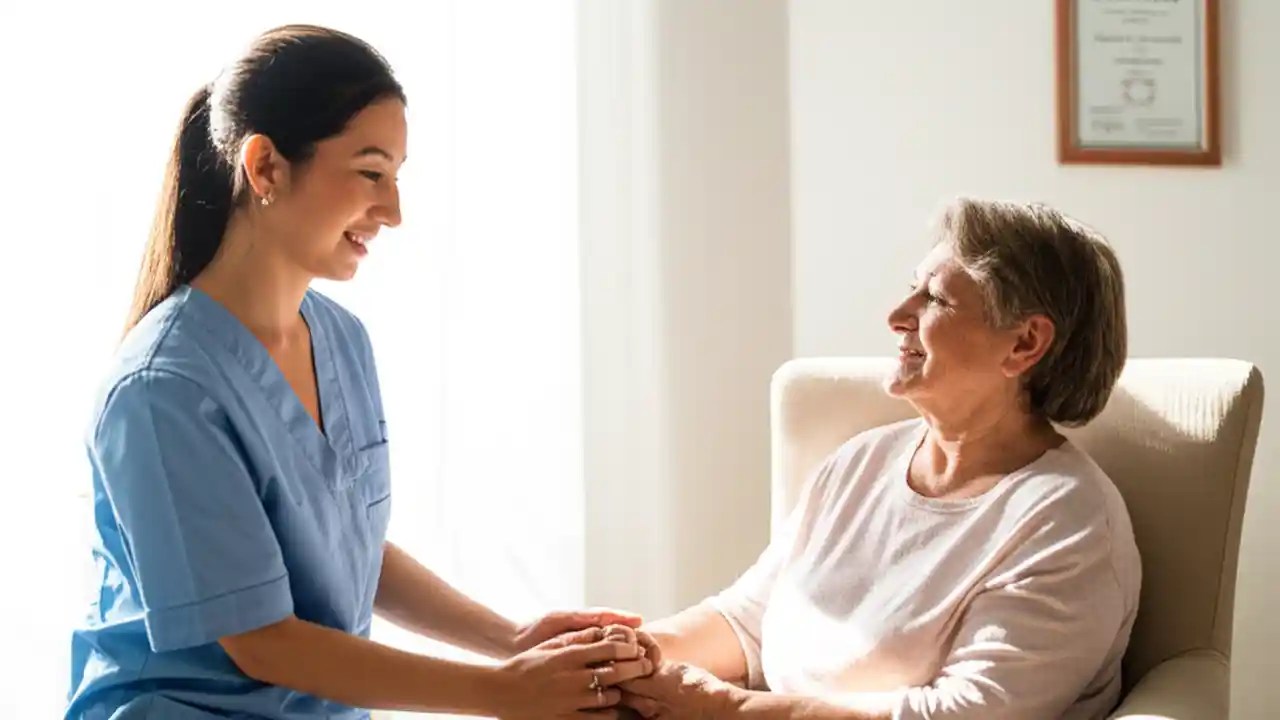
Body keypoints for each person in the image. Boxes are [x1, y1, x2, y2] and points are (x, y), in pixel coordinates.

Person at [67, 25, 654, 720]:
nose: (394, 212)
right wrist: (503, 692)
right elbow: (262, 641)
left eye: (397, 177)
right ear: (265, 167)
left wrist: (513, 639)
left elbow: (347, 550)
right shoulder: (162, 392)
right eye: (371, 173)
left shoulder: (340, 339)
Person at [617, 199, 1142, 720]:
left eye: (934, 298)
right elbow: (748, 622)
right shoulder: (863, 462)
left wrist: (730, 709)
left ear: (1024, 344)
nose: (896, 317)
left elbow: (964, 715)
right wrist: (621, 653)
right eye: (911, 288)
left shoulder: (1067, 522)